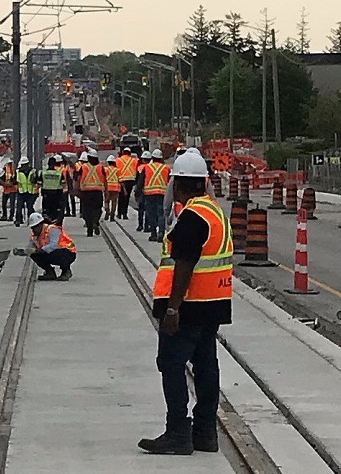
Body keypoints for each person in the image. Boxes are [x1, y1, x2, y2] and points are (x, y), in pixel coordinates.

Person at [139, 148, 234, 456]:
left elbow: (184, 264)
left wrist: (172, 308)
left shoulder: (192, 217)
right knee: (206, 366)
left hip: (188, 307)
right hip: (214, 303)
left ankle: (178, 433)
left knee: (172, 364)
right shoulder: (216, 212)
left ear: (178, 184)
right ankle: (205, 433)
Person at [27, 212, 77, 281]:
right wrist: (26, 251)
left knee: (57, 253)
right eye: (32, 227)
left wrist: (41, 250)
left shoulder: (52, 229)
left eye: (35, 227)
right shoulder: (34, 235)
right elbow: (30, 247)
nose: (33, 230)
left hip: (68, 252)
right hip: (52, 252)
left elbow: (54, 245)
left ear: (40, 225)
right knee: (34, 255)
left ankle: (66, 271)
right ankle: (50, 272)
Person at [138, 149, 172, 242]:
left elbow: (140, 182)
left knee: (151, 214)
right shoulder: (166, 168)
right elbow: (170, 183)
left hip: (149, 194)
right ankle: (161, 231)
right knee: (161, 214)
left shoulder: (147, 168)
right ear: (161, 159)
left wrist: (138, 193)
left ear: (152, 158)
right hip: (162, 194)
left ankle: (153, 233)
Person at [76, 150, 107, 236]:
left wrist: (77, 190)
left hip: (86, 193)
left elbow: (78, 178)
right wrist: (106, 191)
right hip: (98, 192)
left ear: (88, 158)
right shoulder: (100, 167)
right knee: (97, 210)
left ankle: (90, 230)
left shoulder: (84, 167)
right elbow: (105, 180)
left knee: (87, 211)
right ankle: (95, 222)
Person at [113, 146, 141, 221]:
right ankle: (124, 214)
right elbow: (138, 169)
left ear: (123, 153)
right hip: (130, 180)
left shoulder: (118, 160)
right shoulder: (134, 160)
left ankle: (119, 213)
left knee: (121, 197)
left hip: (121, 180)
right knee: (127, 197)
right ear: (130, 153)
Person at [39, 154, 66, 223]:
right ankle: (54, 220)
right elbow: (63, 183)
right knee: (55, 210)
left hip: (46, 194)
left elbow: (39, 183)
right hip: (56, 194)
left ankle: (48, 220)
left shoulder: (43, 172)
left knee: (46, 210)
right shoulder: (59, 173)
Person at [16, 158, 38, 225]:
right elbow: (15, 181)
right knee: (19, 207)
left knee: (30, 207)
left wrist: (34, 180)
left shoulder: (33, 171)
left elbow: (36, 180)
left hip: (30, 192)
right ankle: (18, 220)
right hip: (21, 192)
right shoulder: (18, 172)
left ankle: (31, 220)